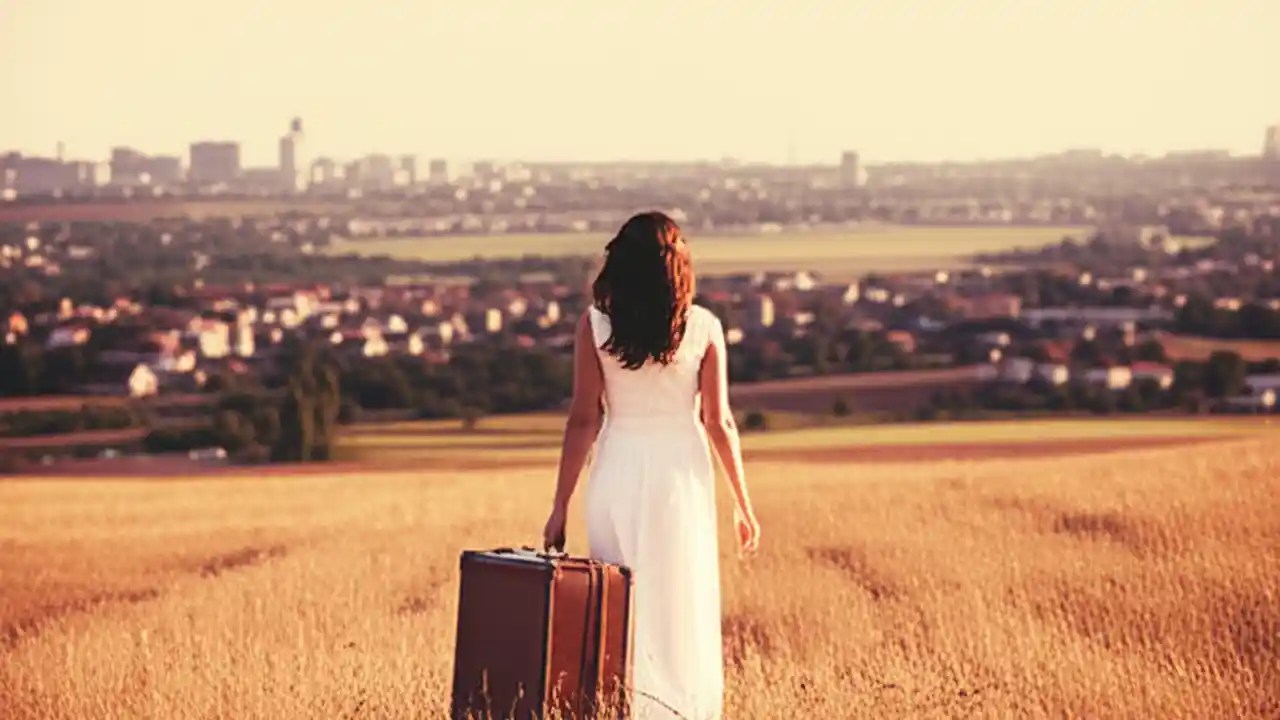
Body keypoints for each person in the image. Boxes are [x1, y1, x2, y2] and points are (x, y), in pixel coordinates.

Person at [542, 211, 760, 720]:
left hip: (617, 471)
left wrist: (559, 508)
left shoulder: (594, 326)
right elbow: (718, 421)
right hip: (681, 477)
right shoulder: (704, 327)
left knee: (620, 604)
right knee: (682, 600)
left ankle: (622, 709)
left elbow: (581, 420)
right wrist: (744, 505)